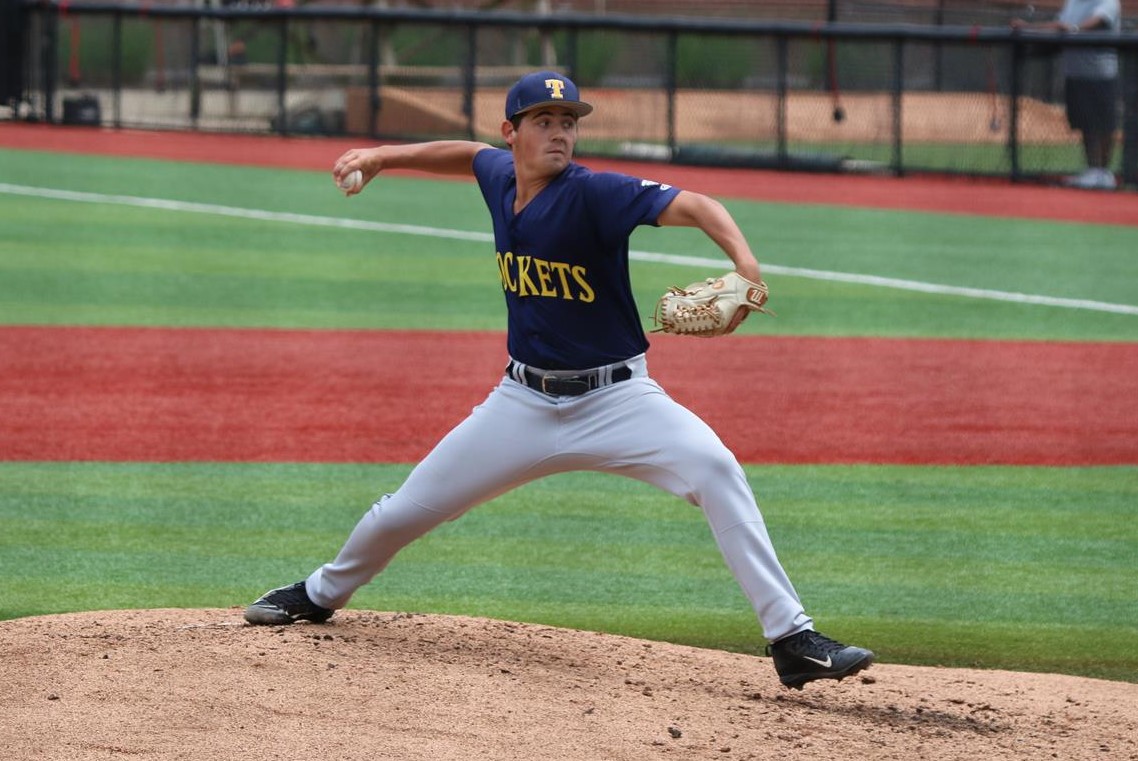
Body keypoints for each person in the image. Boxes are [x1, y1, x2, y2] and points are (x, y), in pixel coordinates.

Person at [243, 71, 874, 690]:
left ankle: (792, 639)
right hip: (521, 403)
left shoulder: (597, 193)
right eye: (544, 121)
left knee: (715, 468)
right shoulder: (499, 175)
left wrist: (745, 262)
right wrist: (383, 155)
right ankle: (320, 594)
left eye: (569, 122)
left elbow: (698, 204)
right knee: (404, 510)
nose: (560, 133)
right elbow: (466, 155)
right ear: (512, 133)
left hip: (620, 399)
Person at [1012, 0, 1123, 189]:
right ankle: (1092, 170)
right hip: (1075, 73)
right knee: (1085, 123)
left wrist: (1074, 28)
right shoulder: (1073, 2)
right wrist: (1028, 28)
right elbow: (1059, 27)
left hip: (1100, 73)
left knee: (1102, 124)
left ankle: (1104, 173)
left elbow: (1097, 22)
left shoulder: (1108, 2)